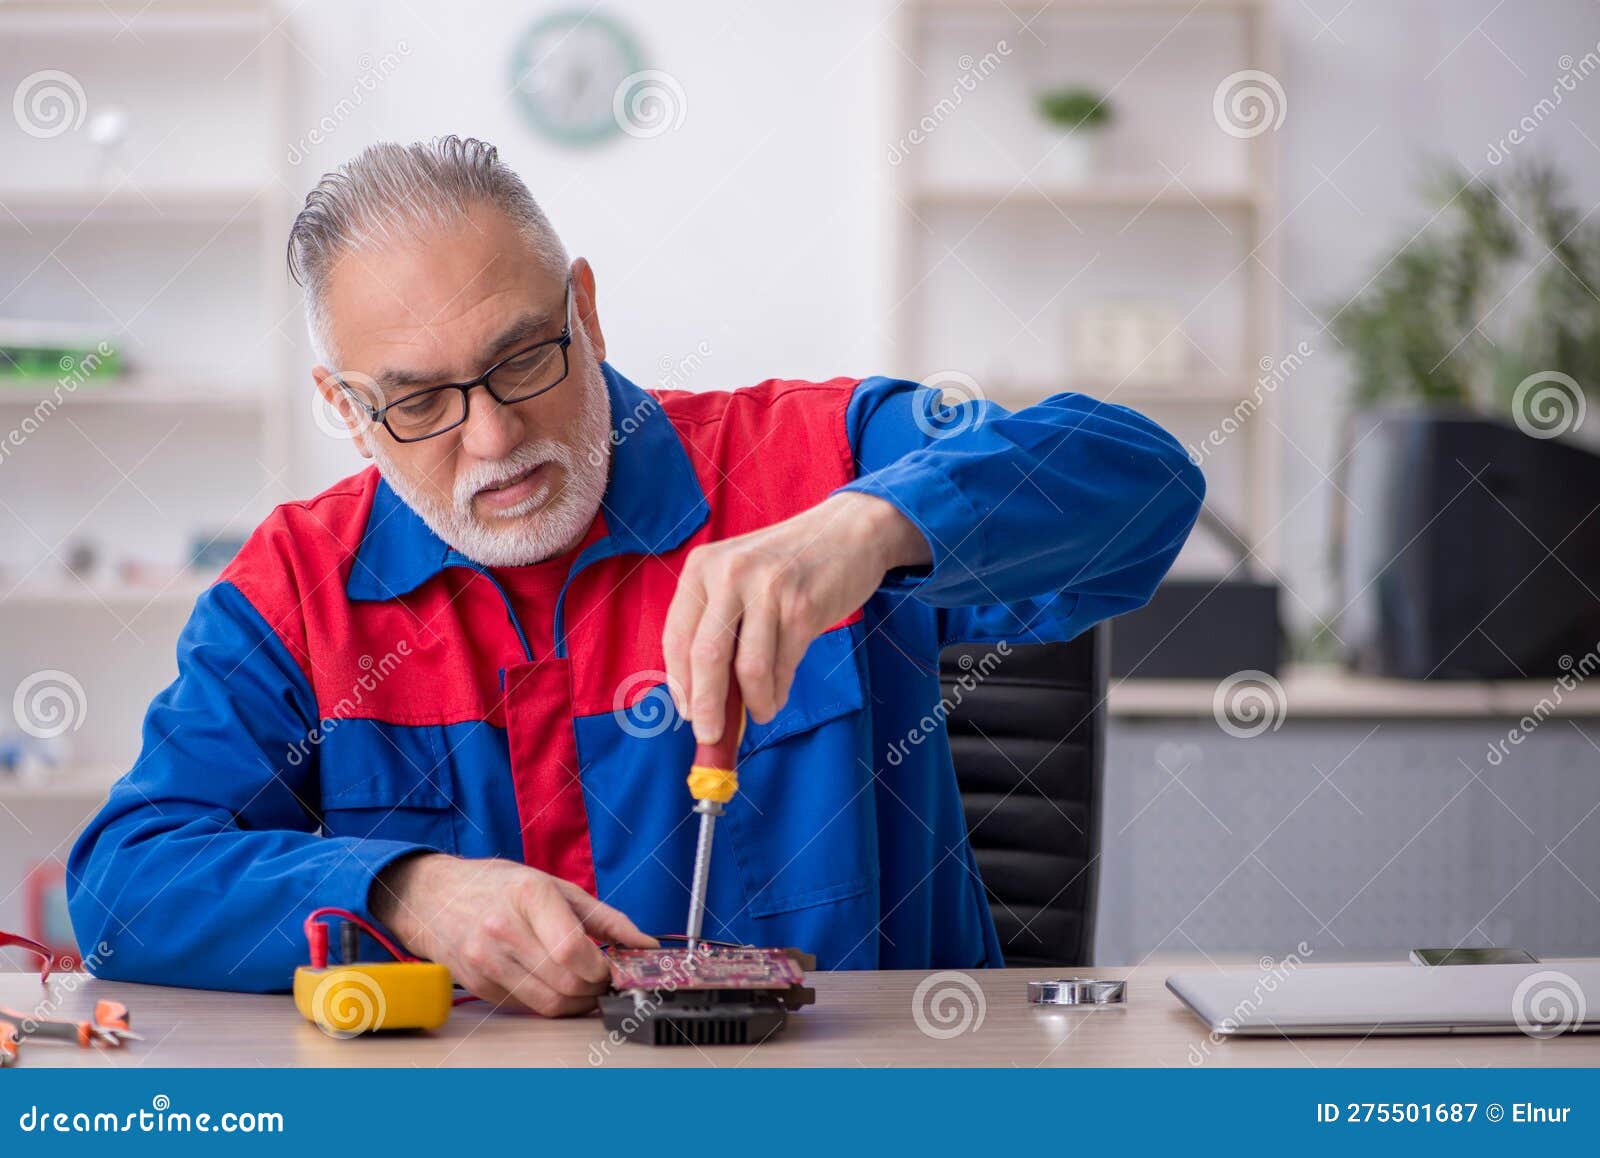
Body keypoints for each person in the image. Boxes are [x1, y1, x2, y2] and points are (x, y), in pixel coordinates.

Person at [68, 136, 1204, 1015]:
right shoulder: (299, 588)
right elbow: (127, 882)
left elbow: (1145, 486)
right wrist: (405, 891)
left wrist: (872, 525)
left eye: (524, 358)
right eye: (418, 402)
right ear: (346, 409)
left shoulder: (814, 459)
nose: (494, 438)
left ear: (588, 311)